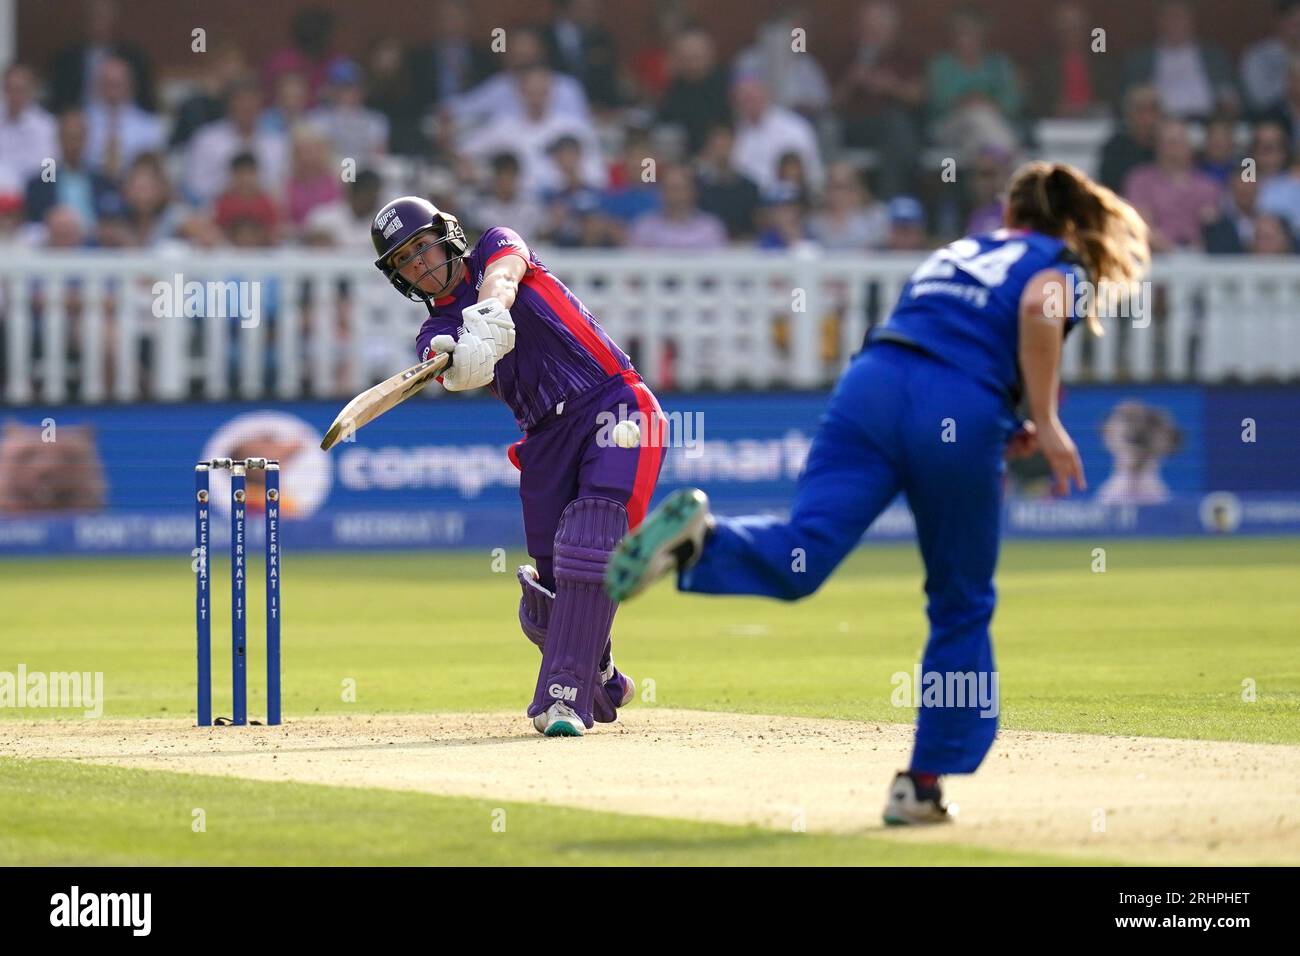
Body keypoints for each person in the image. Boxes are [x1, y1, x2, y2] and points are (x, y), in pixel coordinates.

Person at [604, 162, 1150, 825]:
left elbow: (938, 336)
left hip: (873, 383)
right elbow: (1040, 308)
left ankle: (704, 543)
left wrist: (999, 421)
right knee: (960, 600)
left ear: (1009, 214)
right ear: (1069, 220)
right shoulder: (1060, 261)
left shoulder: (961, 250)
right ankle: (921, 785)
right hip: (957, 403)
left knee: (803, 550)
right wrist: (1043, 417)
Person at [370, 197, 666, 737]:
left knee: (591, 538)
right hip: (545, 440)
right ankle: (602, 674)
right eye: (404, 260)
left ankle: (562, 702)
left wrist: (486, 315)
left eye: (422, 245)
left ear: (448, 235)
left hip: (613, 404)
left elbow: (504, 278)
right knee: (546, 602)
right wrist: (456, 360)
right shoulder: (432, 330)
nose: (419, 263)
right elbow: (456, 376)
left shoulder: (495, 246)